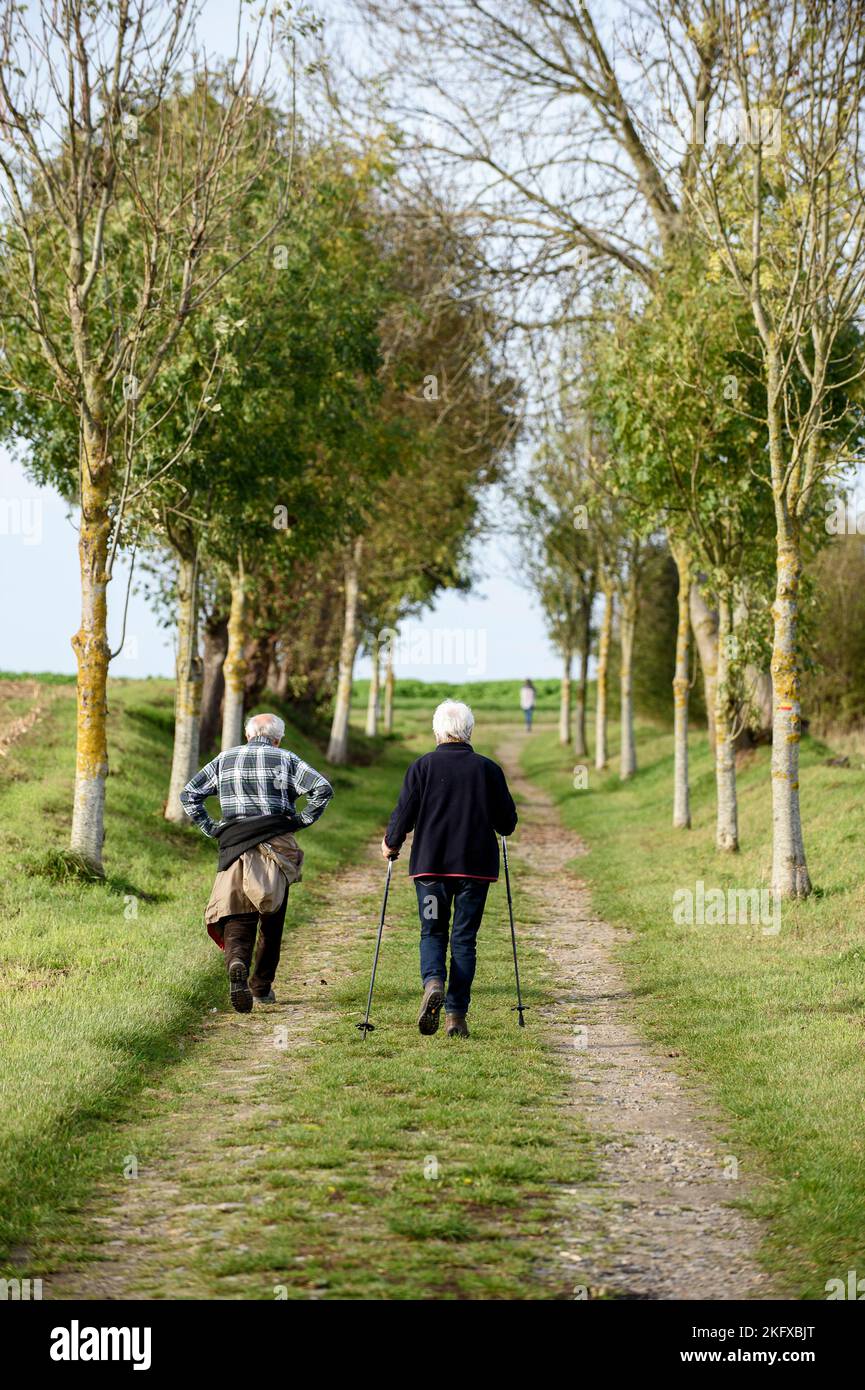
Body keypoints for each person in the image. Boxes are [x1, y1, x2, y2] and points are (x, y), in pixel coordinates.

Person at [381, 699, 517, 1038]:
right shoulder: (488, 769)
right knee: (464, 939)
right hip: (474, 871)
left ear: (437, 731)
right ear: (469, 731)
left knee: (433, 932)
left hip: (430, 869)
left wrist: (391, 843)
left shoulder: (422, 766)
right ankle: (456, 1016)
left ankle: (433, 983)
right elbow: (507, 824)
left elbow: (404, 812)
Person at [180, 712, 333, 1013]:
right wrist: (300, 820)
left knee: (237, 911)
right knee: (271, 916)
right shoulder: (286, 759)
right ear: (277, 739)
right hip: (277, 846)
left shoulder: (225, 759)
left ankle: (237, 960)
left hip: (235, 844)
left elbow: (189, 794)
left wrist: (212, 828)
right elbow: (322, 789)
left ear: (248, 735)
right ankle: (260, 987)